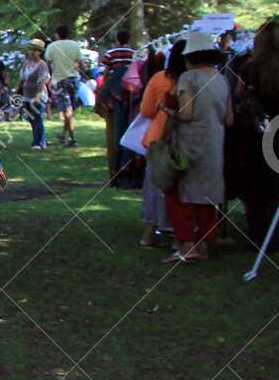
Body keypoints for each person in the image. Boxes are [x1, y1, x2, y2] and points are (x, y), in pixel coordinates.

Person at [233, 19, 279, 250]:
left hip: (258, 131)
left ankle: (258, 231)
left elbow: (239, 96)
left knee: (257, 182)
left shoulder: (250, 68)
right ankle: (274, 229)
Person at [160, 32, 231, 264]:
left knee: (181, 195)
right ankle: (203, 245)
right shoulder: (222, 79)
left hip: (190, 143)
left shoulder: (189, 78)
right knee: (207, 197)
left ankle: (187, 244)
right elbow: (229, 119)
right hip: (214, 143)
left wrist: (169, 112)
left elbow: (187, 114)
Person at [134, 47, 173, 247]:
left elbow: (146, 110)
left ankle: (149, 232)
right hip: (186, 139)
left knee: (154, 185)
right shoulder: (193, 80)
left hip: (158, 138)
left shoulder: (159, 78)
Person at [99, 29, 138, 185]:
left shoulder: (111, 53)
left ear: (117, 39)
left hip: (115, 91)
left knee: (115, 129)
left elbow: (107, 72)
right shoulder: (133, 53)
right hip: (130, 93)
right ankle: (126, 163)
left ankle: (117, 164)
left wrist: (106, 90)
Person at [44, 24, 83, 147]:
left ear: (57, 34)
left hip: (60, 79)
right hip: (74, 79)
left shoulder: (52, 46)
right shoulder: (75, 45)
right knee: (70, 109)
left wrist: (48, 78)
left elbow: (48, 64)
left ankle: (73, 138)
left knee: (67, 110)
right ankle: (63, 134)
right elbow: (80, 63)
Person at [18, 38, 51, 149]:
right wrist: (17, 92)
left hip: (38, 96)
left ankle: (40, 143)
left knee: (37, 118)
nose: (32, 52)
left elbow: (42, 82)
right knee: (31, 119)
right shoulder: (26, 63)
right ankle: (37, 140)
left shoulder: (42, 65)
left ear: (40, 52)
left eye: (35, 50)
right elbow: (22, 79)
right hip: (27, 96)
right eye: (31, 49)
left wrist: (38, 96)